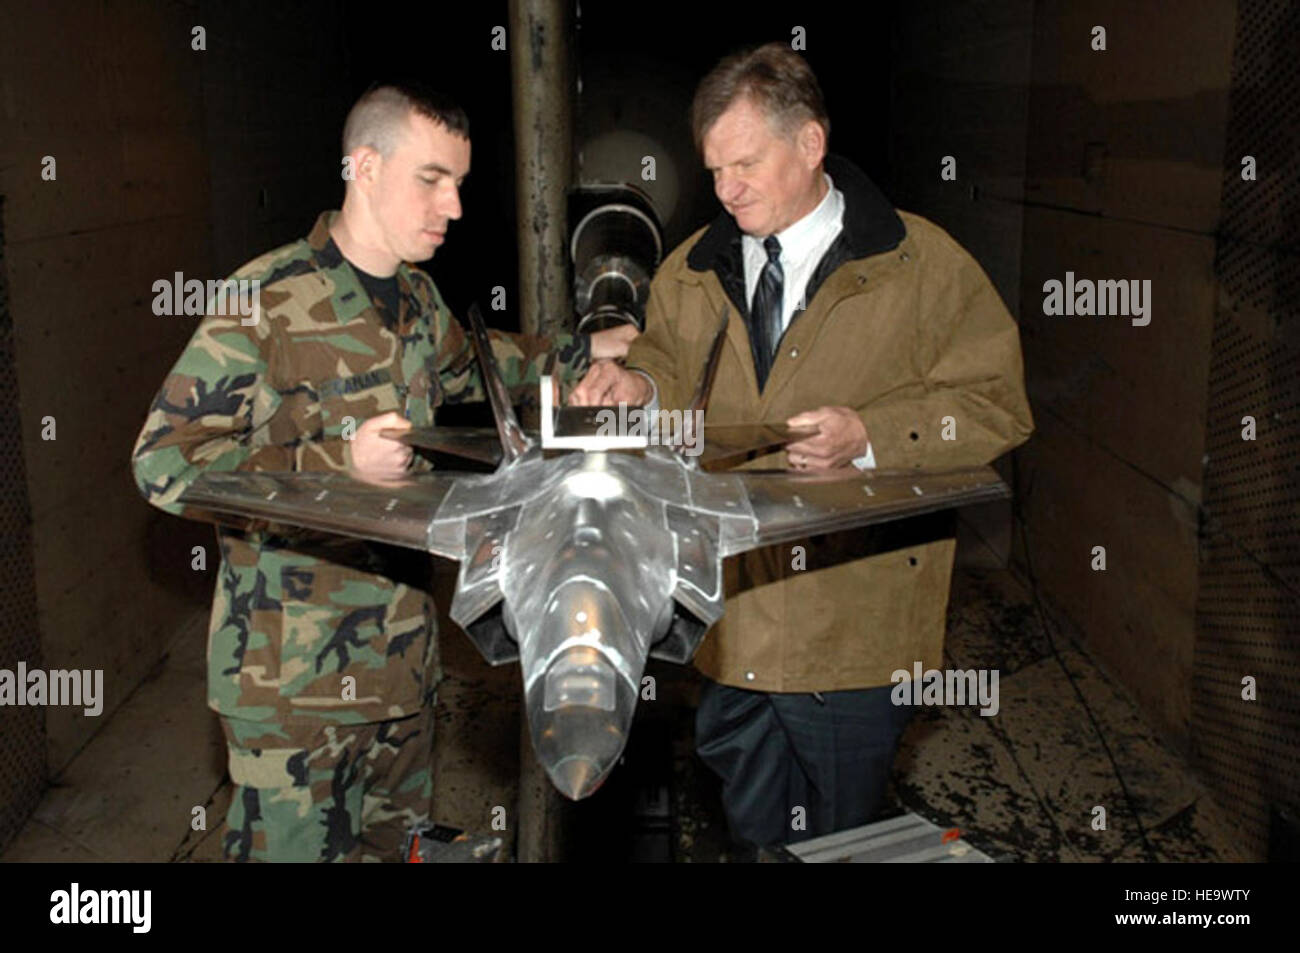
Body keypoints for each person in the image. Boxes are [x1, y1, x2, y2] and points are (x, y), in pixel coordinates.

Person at [131, 82, 634, 862]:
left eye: (459, 184)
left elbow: (485, 363)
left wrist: (589, 354)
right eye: (433, 180)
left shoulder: (417, 302)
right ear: (364, 167)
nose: (453, 207)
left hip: (401, 672)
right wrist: (339, 461)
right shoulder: (263, 301)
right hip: (292, 695)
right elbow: (163, 462)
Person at [570, 44, 1034, 851]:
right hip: (735, 627)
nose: (727, 189)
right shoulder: (691, 270)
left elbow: (997, 402)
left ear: (811, 143)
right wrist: (637, 387)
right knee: (755, 834)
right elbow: (668, 366)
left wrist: (872, 437)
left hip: (852, 633)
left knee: (842, 838)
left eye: (746, 164)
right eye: (715, 170)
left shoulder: (919, 266)